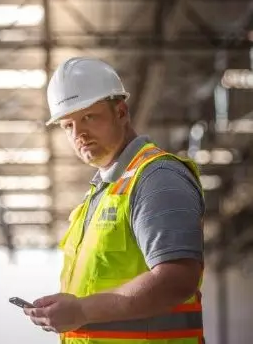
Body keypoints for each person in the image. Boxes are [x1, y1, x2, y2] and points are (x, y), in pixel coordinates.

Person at [23, 57, 205, 344]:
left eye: (88, 117)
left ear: (121, 112)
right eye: (67, 125)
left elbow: (177, 280)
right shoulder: (101, 194)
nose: (78, 134)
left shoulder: (157, 177)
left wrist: (82, 309)